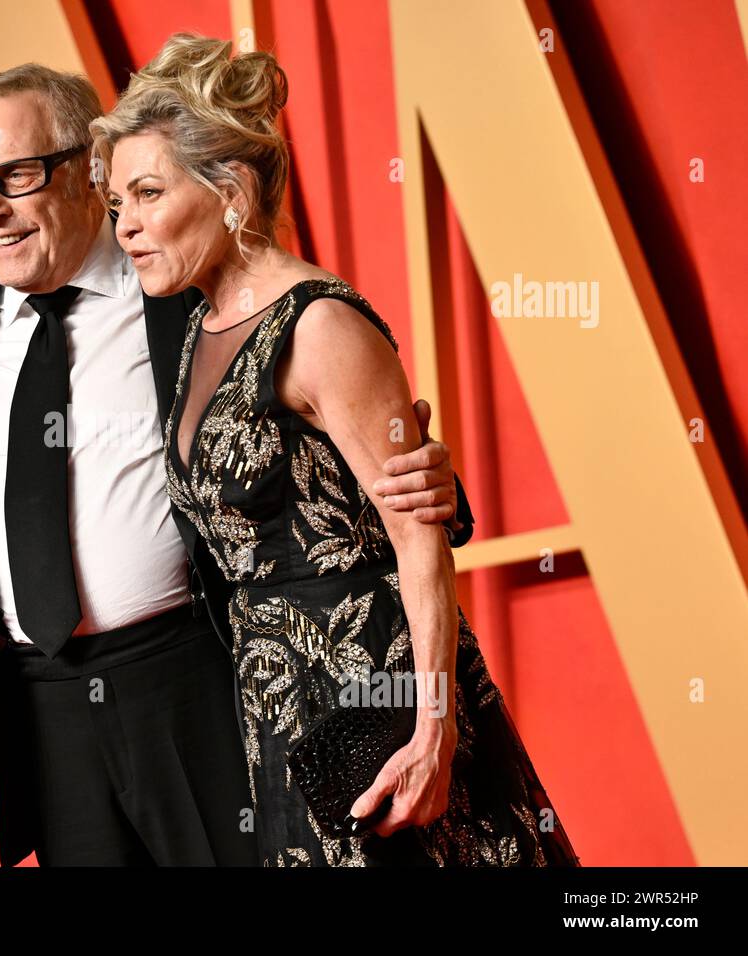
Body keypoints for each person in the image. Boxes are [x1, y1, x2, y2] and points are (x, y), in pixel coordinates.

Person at [0, 63, 471, 867]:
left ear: (85, 173)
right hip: (45, 711)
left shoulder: (188, 286)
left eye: (16, 177)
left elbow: (319, 432)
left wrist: (428, 483)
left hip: (203, 688)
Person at [91, 33, 581, 867]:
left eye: (146, 192)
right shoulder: (199, 326)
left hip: (375, 697)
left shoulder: (319, 325)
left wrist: (434, 729)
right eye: (116, 203)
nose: (126, 225)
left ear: (233, 190)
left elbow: (419, 537)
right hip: (281, 712)